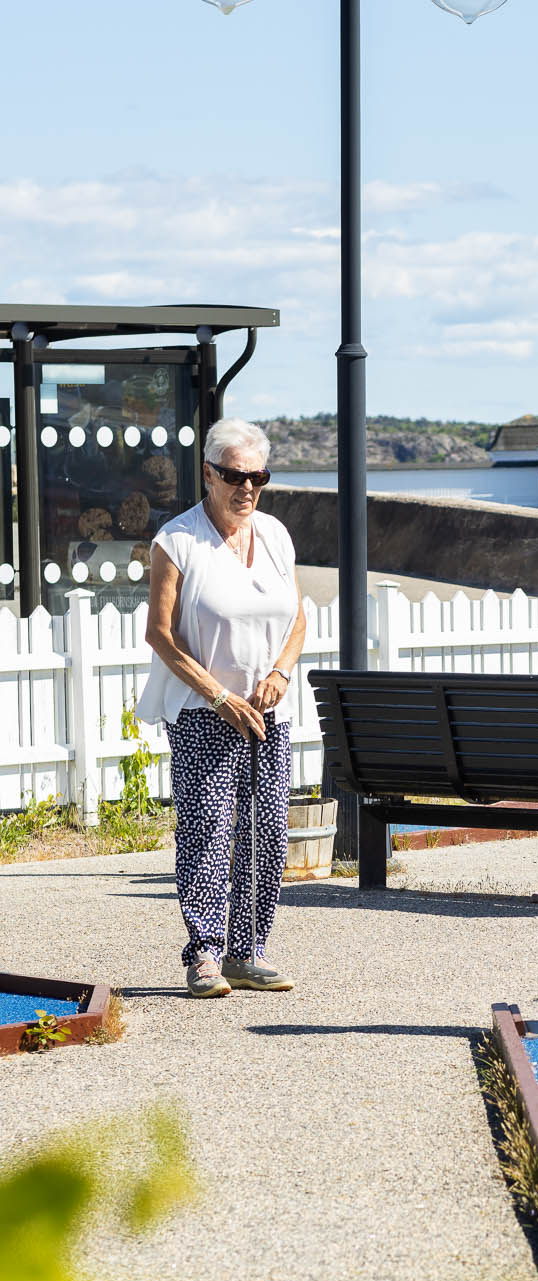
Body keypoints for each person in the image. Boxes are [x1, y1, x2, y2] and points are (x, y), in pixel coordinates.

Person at [138, 419, 306, 998]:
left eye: (259, 477)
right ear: (208, 473)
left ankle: (247, 951)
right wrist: (218, 695)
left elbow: (297, 618)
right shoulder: (177, 541)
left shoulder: (276, 535)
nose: (247, 488)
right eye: (236, 476)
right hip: (202, 708)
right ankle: (205, 955)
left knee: (267, 833)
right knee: (208, 831)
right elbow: (160, 634)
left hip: (267, 710)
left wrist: (281, 672)